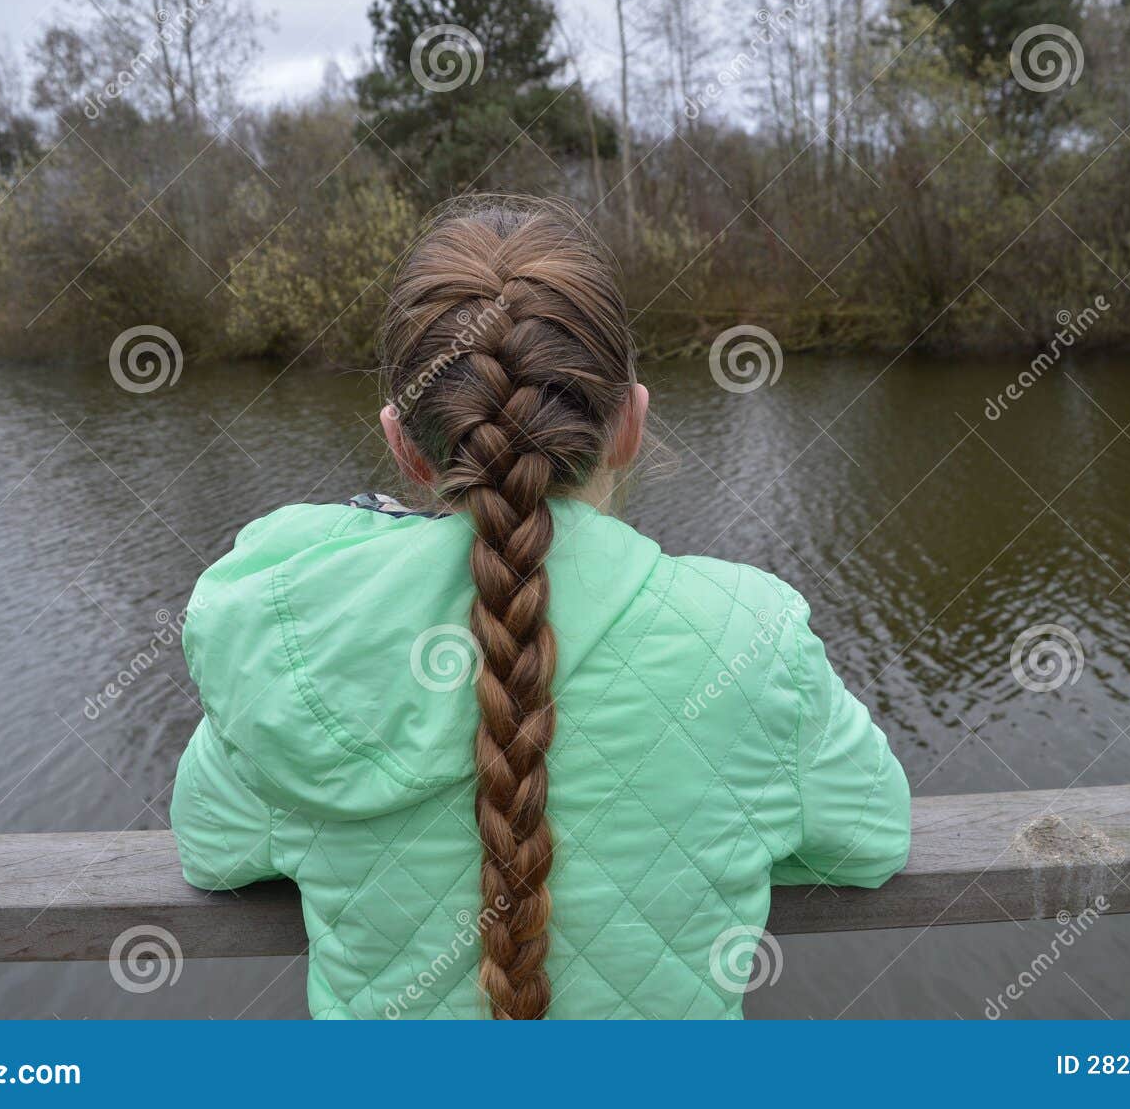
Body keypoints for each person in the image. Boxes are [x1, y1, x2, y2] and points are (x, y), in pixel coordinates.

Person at [170, 195, 911, 1019]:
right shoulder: (751, 636)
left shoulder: (293, 638)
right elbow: (872, 835)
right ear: (630, 423)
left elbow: (213, 850)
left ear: (404, 445)